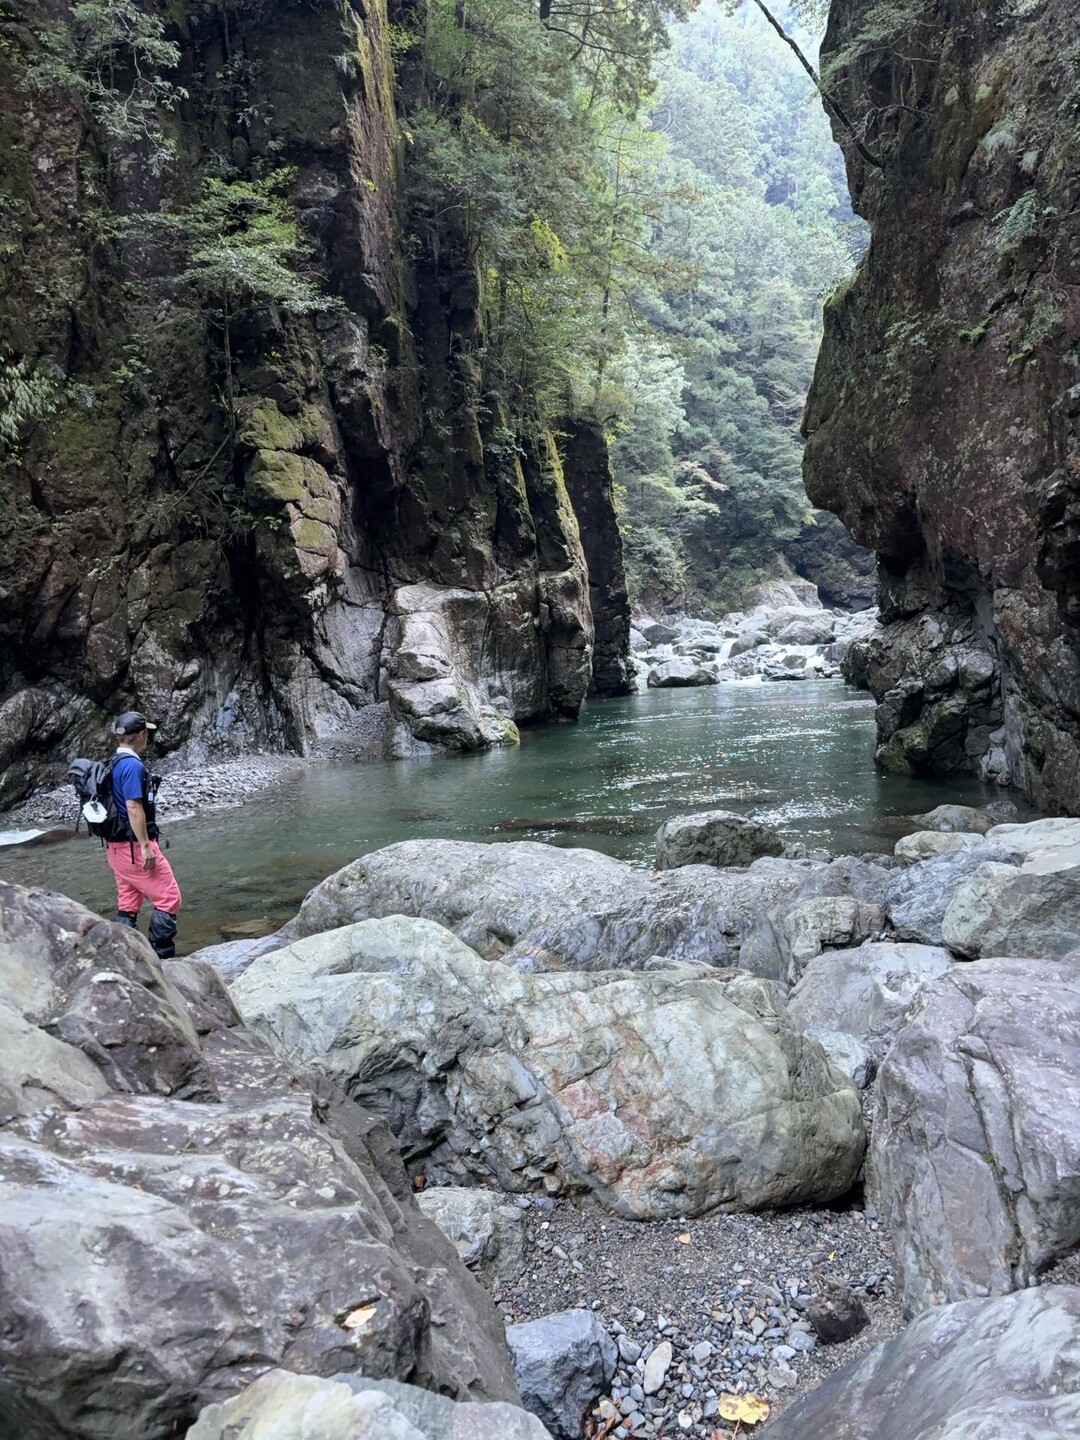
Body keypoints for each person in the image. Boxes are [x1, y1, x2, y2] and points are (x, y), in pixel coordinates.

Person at [107, 711, 182, 958]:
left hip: (116, 849)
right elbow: (133, 806)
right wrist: (145, 846)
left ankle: (126, 956)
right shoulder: (131, 765)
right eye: (146, 732)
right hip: (134, 848)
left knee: (128, 902)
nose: (147, 736)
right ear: (141, 735)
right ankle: (162, 959)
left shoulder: (113, 762)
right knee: (169, 897)